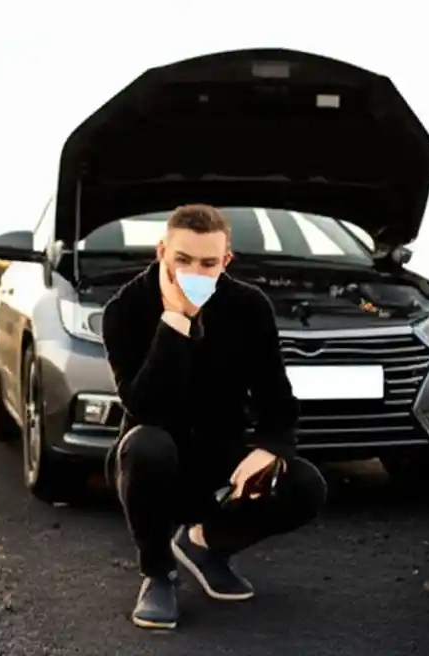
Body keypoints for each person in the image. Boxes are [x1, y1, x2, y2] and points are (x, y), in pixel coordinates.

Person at [99, 203, 329, 630]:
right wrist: (176, 320)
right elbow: (146, 408)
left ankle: (204, 543)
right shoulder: (125, 309)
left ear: (226, 261)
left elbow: (276, 397)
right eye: (182, 260)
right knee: (148, 444)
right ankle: (158, 572)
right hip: (150, 460)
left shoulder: (249, 307)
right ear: (161, 252)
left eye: (208, 263)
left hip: (219, 454)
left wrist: (270, 447)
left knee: (305, 485)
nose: (195, 273)